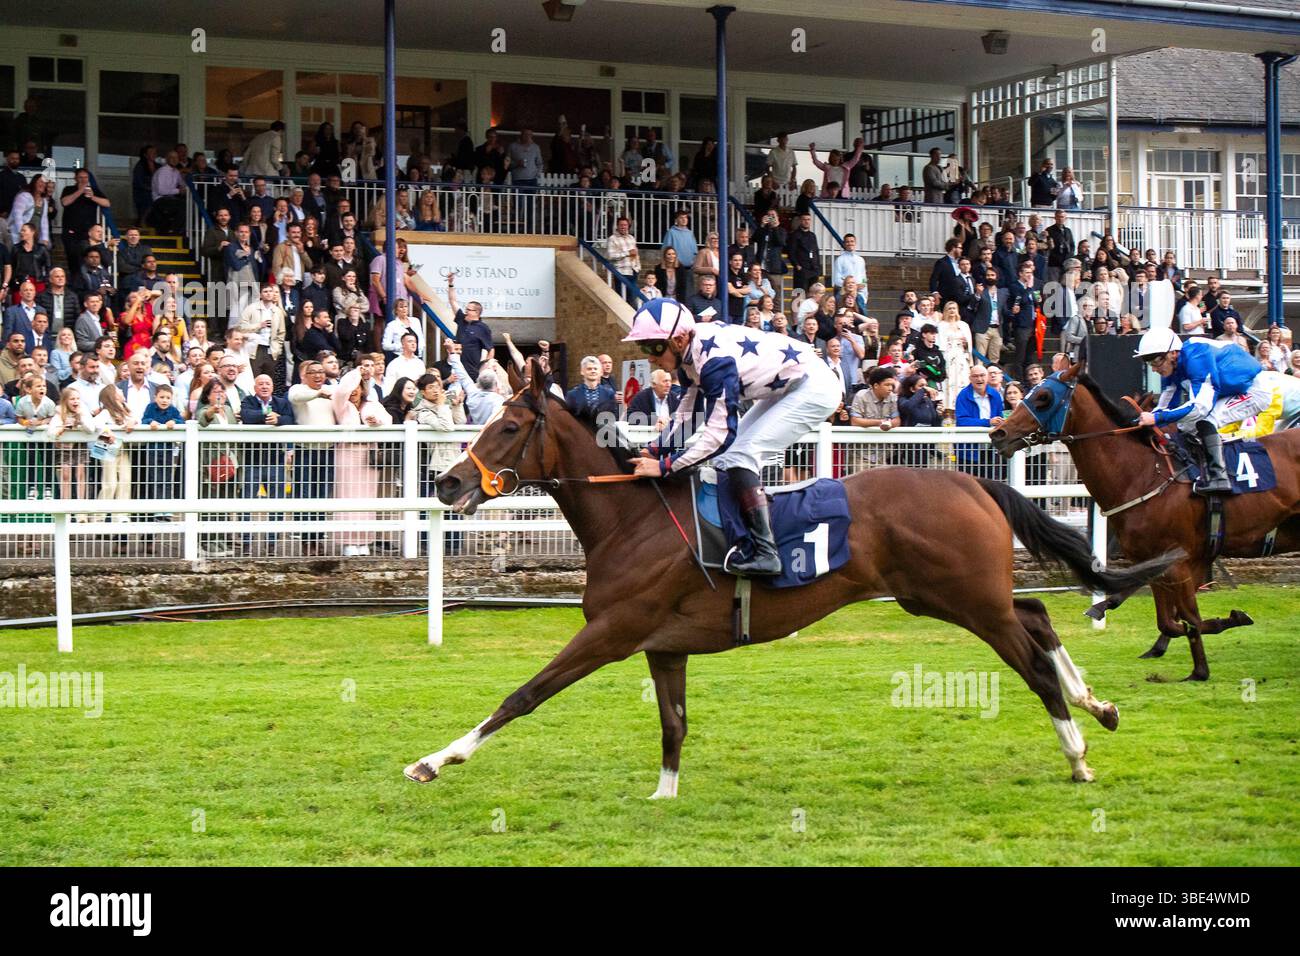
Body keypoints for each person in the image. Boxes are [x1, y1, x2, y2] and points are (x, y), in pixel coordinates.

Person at [625, 298, 842, 577]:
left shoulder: (713, 361)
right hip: (792, 384)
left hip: (814, 387)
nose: (650, 358)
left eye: (652, 347)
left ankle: (767, 553)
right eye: (643, 347)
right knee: (730, 459)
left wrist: (665, 466)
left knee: (739, 455)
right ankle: (746, 539)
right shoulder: (691, 354)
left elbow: (721, 435)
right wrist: (654, 451)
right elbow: (688, 417)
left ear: (678, 340)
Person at [1134, 328, 1272, 495]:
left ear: (1172, 353)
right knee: (1186, 427)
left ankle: (1220, 478)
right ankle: (1196, 470)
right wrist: (1141, 422)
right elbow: (1165, 405)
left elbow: (1200, 407)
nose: (1154, 369)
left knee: (1206, 421)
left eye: (1155, 361)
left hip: (1254, 391)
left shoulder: (1197, 356)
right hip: (1231, 391)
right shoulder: (1173, 367)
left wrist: (1157, 417)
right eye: (1149, 364)